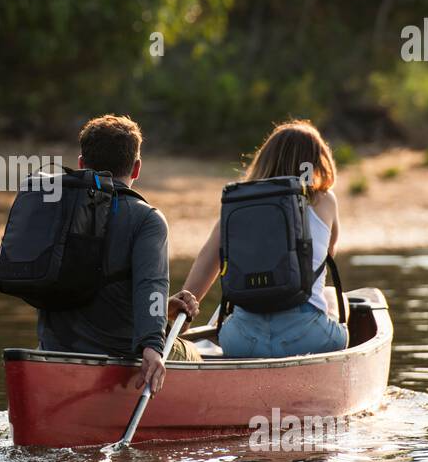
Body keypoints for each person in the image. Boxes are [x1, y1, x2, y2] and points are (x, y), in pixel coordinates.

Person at [38, 114, 201, 394]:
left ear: (80, 163)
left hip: (54, 350)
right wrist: (152, 346)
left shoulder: (54, 208)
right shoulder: (147, 219)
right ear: (136, 169)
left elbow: (92, 289)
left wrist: (164, 307)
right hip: (118, 349)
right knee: (195, 354)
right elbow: (150, 285)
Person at [177, 120, 349, 358]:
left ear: (265, 159)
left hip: (241, 342)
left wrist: (179, 324)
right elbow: (327, 257)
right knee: (331, 295)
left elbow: (206, 264)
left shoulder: (236, 205)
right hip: (308, 339)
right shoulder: (325, 201)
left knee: (225, 310)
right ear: (317, 162)